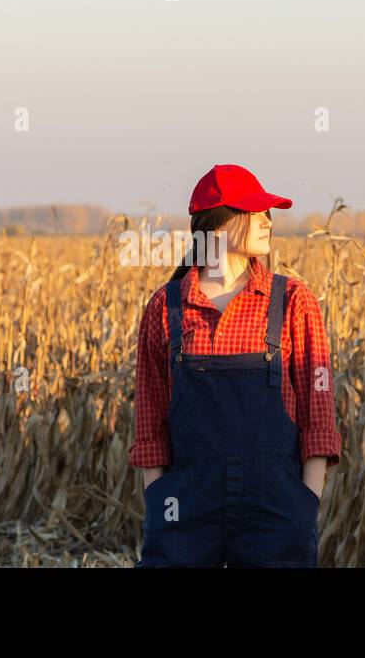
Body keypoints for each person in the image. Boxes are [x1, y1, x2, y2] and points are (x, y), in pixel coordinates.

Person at [130, 164, 341, 567]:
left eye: (268, 214)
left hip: (276, 508)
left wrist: (304, 502)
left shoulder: (292, 301)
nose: (267, 222)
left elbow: (318, 416)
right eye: (255, 212)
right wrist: (159, 501)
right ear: (218, 223)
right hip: (186, 506)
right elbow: (150, 421)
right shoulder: (167, 306)